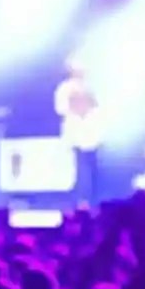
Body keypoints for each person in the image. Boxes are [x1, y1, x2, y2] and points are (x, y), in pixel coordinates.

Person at [55, 58, 101, 206]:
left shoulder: (90, 87)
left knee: (92, 168)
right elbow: (60, 108)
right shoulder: (64, 89)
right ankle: (78, 200)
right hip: (75, 134)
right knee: (77, 168)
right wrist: (75, 105)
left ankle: (92, 199)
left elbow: (97, 107)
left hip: (91, 133)